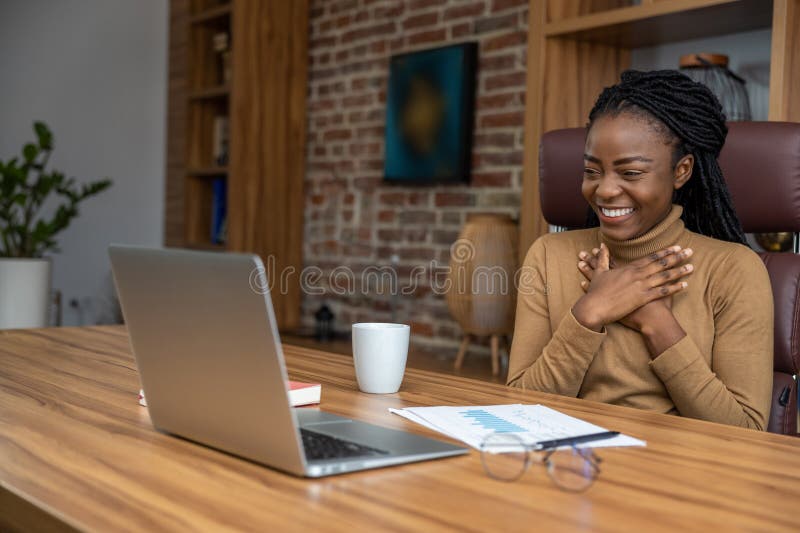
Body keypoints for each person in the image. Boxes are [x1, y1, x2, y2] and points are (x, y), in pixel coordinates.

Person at [507, 70, 773, 430]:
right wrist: (588, 314)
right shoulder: (548, 257)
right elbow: (516, 410)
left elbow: (745, 432)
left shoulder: (733, 269)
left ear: (681, 171)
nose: (604, 191)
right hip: (567, 470)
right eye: (592, 170)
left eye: (630, 173)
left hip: (682, 475)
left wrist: (657, 323)